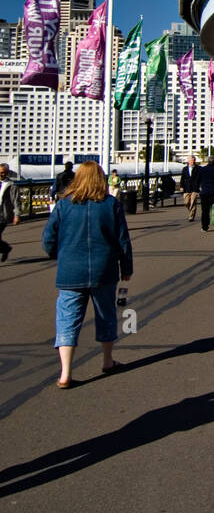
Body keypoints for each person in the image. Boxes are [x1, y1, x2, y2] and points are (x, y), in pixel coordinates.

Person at [41, 161, 133, 387]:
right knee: (106, 314)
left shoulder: (64, 205)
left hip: (70, 269)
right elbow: (122, 239)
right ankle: (107, 360)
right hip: (104, 269)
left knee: (67, 319)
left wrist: (59, 254)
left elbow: (48, 239)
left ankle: (65, 372)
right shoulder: (111, 204)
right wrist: (126, 267)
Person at [0, 162, 20, 263]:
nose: (1, 174)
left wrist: (17, 215)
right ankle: (4, 249)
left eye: (3, 172)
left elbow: (16, 201)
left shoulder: (12, 185)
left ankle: (4, 248)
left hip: (3, 214)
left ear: (7, 173)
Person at [198, 155, 214, 231]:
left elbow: (198, 180)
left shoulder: (202, 170)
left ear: (208, 161)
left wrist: (200, 188)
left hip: (204, 192)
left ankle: (204, 226)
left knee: (205, 211)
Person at [180, 155, 201, 221]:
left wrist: (200, 186)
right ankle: (191, 211)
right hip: (187, 188)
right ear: (188, 161)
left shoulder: (198, 168)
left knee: (193, 202)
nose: (192, 162)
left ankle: (191, 216)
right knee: (186, 202)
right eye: (191, 161)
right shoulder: (185, 169)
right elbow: (182, 178)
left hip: (195, 188)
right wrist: (181, 186)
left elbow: (201, 178)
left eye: (193, 160)